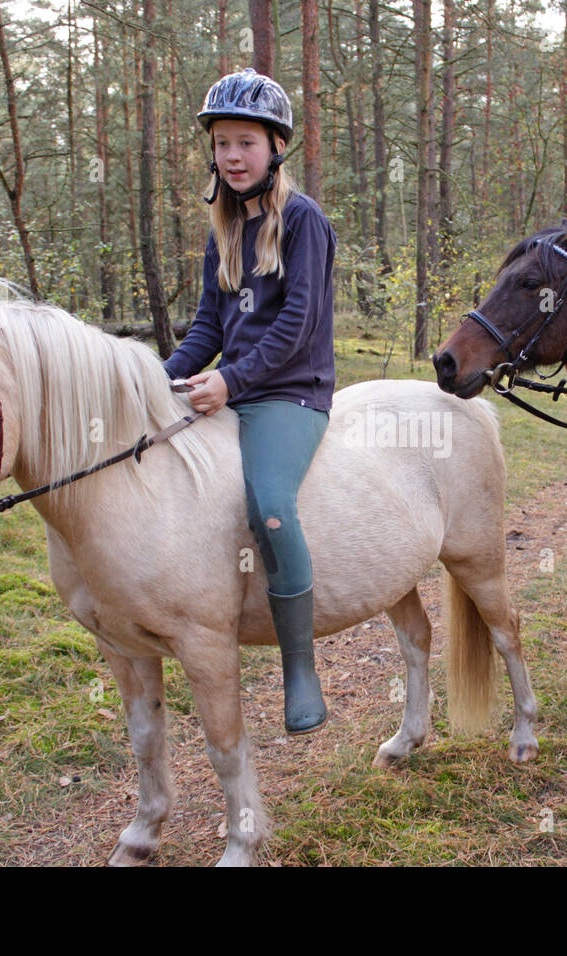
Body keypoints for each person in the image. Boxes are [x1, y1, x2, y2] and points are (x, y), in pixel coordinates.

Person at [163, 67, 337, 732]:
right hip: (234, 388)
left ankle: (300, 668)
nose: (233, 156)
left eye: (246, 143)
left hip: (292, 395)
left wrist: (232, 382)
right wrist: (164, 378)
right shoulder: (224, 227)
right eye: (223, 144)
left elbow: (296, 329)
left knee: (268, 502)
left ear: (275, 149)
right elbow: (209, 324)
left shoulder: (303, 221)